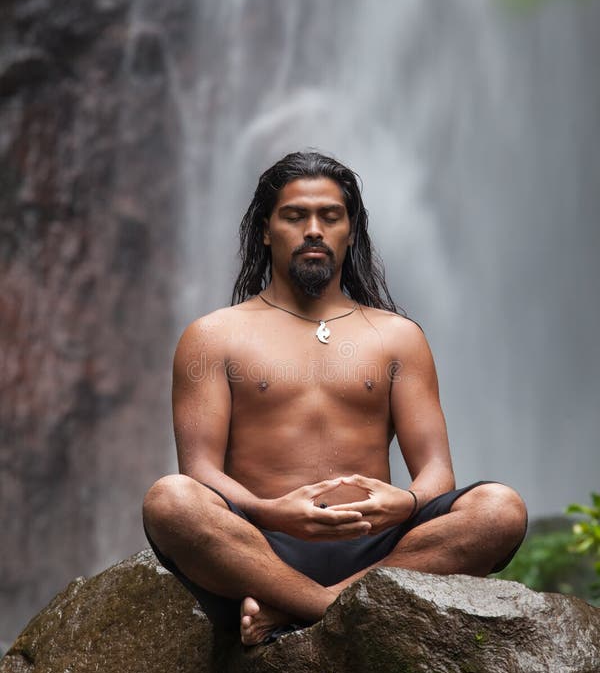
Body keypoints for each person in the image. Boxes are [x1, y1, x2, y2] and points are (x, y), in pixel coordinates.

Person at [143, 151, 527, 646]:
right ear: (266, 229)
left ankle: (304, 604)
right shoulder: (213, 336)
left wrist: (405, 502)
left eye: (330, 216)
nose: (313, 230)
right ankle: (336, 603)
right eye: (294, 215)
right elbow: (199, 470)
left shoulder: (397, 337)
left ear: (351, 230)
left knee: (501, 508)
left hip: (381, 545)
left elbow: (437, 473)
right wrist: (269, 511)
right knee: (169, 500)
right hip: (260, 544)